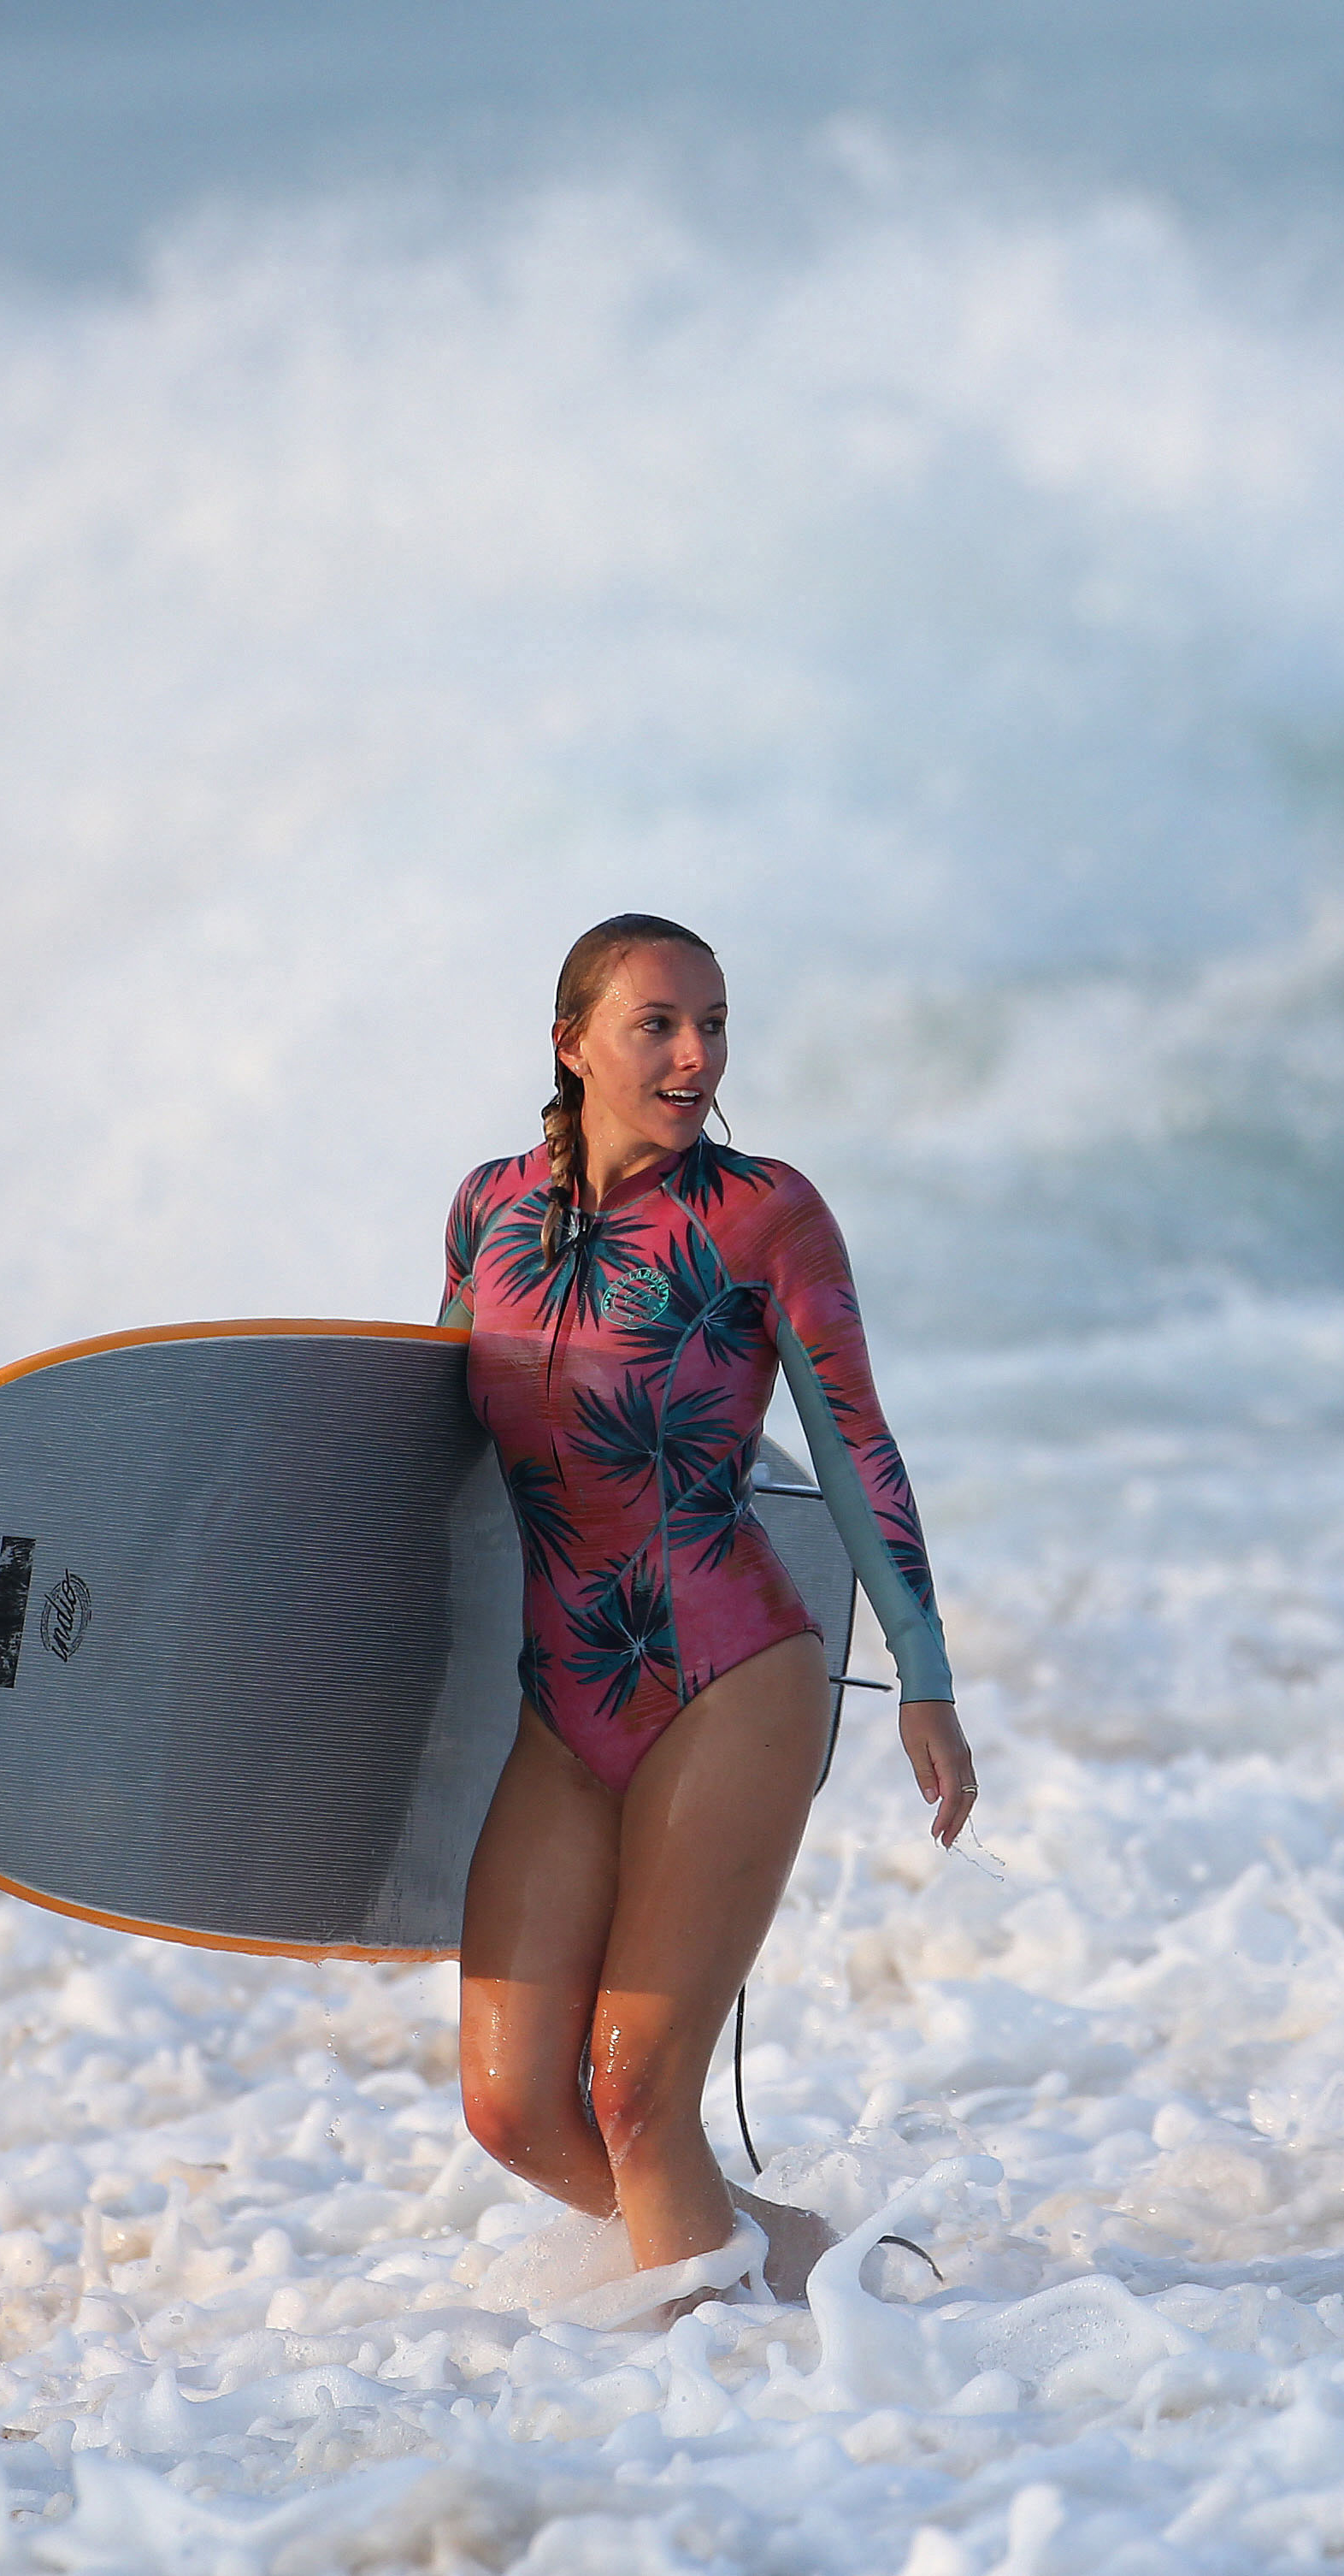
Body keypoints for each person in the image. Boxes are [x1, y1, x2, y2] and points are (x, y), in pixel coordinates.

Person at [438, 913, 976, 2306]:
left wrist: (924, 1676)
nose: (697, 1055)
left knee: (634, 2093)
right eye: (659, 1025)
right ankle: (796, 2268)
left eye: (716, 1024)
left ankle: (716, 2439)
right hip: (562, 1702)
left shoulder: (762, 1215)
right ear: (571, 1044)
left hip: (729, 1672)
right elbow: (425, 1449)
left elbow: (855, 1442)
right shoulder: (488, 1213)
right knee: (513, 2111)